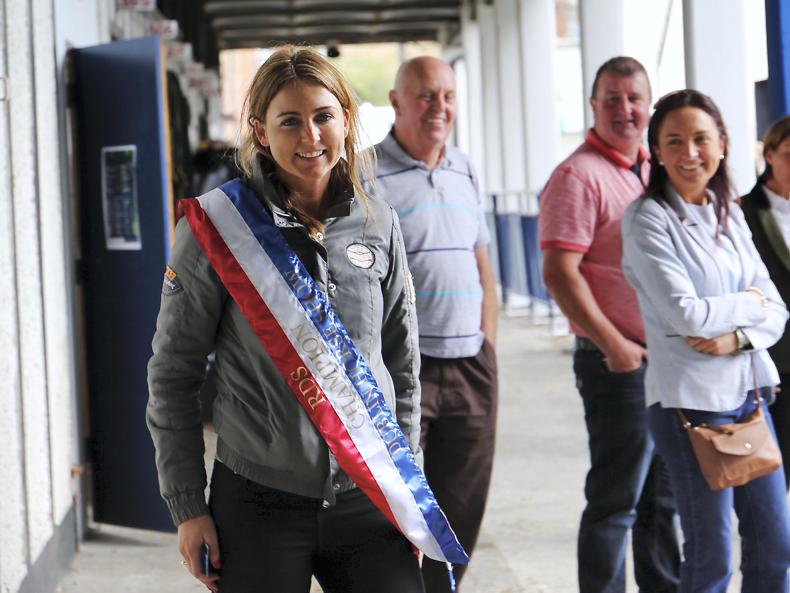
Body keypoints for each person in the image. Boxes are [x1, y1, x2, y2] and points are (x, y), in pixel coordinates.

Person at [146, 46, 432, 593]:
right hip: (258, 500)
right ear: (259, 131)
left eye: (324, 116)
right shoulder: (216, 230)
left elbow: (403, 368)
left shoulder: (380, 224)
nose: (311, 137)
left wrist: (410, 487)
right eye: (290, 121)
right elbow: (173, 373)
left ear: (346, 120)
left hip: (370, 495)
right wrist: (187, 506)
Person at [621, 89, 790, 592]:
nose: (689, 152)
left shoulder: (727, 211)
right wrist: (752, 301)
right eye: (674, 141)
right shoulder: (647, 218)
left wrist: (737, 337)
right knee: (711, 552)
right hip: (689, 403)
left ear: (722, 145)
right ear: (656, 150)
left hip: (748, 393)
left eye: (701, 139)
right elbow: (687, 314)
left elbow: (778, 309)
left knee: (775, 544)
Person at [539, 56, 680, 593]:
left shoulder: (655, 170)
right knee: (616, 502)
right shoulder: (577, 176)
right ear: (593, 105)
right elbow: (559, 273)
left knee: (662, 501)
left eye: (634, 98)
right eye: (613, 99)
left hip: (667, 361)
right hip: (617, 364)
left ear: (649, 104)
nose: (625, 109)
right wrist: (613, 344)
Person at [374, 56, 498, 592]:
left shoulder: (464, 168)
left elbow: (483, 265)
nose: (438, 107)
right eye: (425, 95)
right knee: (396, 507)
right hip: (404, 370)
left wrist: (488, 344)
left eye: (447, 95)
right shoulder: (365, 174)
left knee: (463, 505)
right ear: (396, 102)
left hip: (472, 363)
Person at [741, 115, 790, 488]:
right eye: (789, 154)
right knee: (775, 475)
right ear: (769, 155)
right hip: (776, 362)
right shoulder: (743, 212)